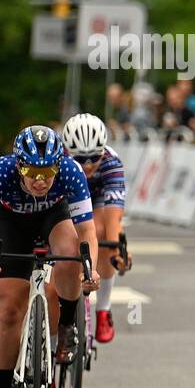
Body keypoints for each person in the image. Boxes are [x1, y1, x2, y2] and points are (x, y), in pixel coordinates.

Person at [0, 126, 99, 388]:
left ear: (58, 164)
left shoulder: (70, 170)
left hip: (54, 217)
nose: (40, 180)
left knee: (70, 252)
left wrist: (89, 269)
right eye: (31, 171)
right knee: (11, 309)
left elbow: (88, 232)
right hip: (12, 226)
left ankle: (66, 325)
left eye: (47, 172)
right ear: (18, 165)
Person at [59, 114, 129, 343]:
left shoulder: (111, 162)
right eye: (80, 158)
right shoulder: (57, 160)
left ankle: (104, 309)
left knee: (103, 235)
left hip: (97, 200)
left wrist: (117, 250)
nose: (88, 164)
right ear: (68, 152)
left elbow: (113, 217)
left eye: (94, 157)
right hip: (65, 199)